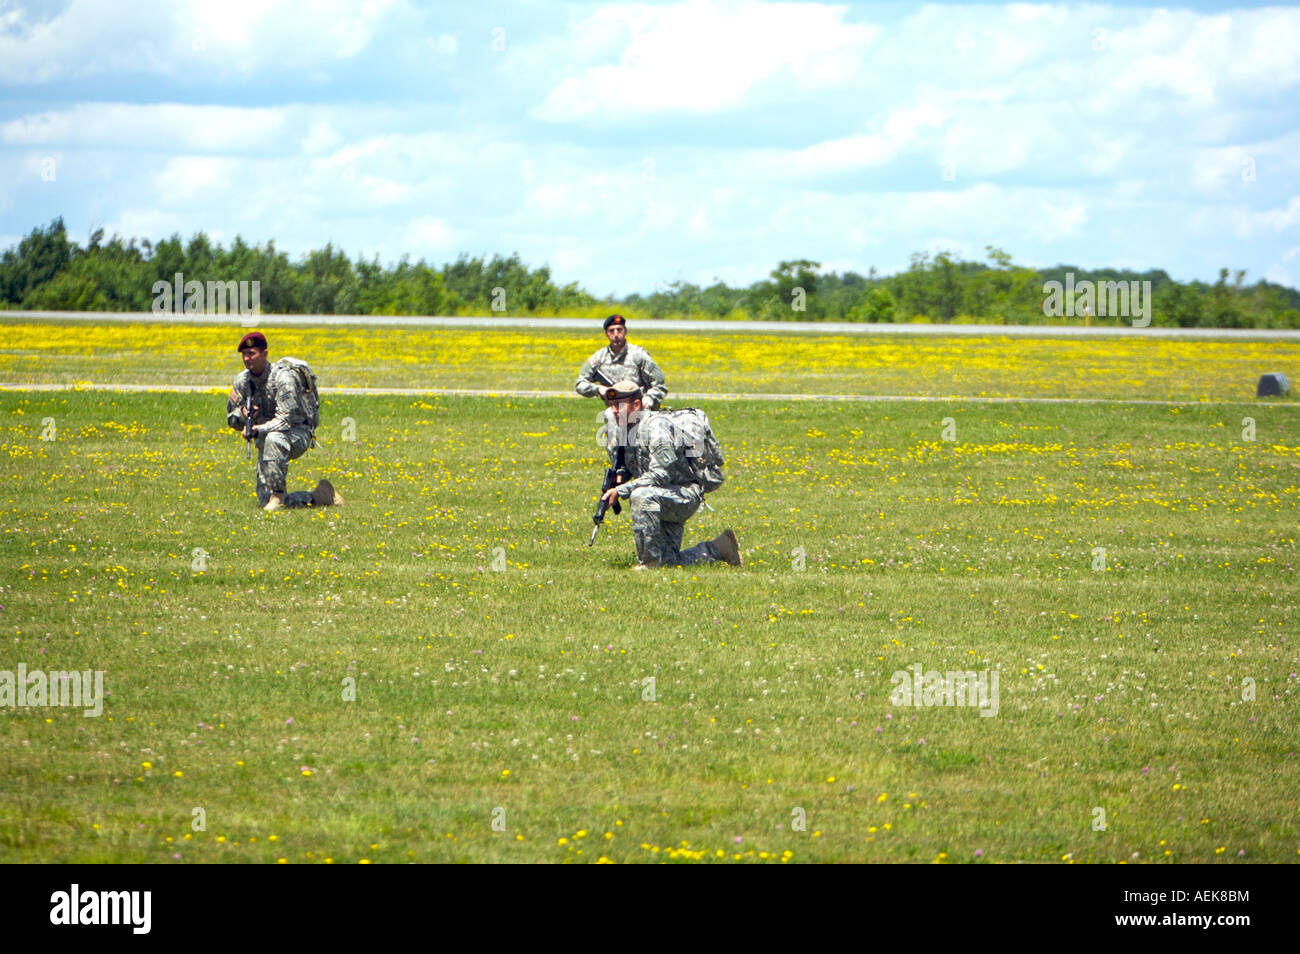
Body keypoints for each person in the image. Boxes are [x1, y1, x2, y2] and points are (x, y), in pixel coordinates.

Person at [599, 380, 740, 569]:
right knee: (669, 562)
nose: (614, 410)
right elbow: (633, 465)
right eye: (612, 406)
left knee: (641, 496)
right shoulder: (625, 429)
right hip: (663, 495)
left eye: (619, 405)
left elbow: (660, 475)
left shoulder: (656, 427)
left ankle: (648, 565)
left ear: (637, 405)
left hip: (682, 495)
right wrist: (620, 477)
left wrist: (622, 491)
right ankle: (718, 547)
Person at [226, 331, 342, 512]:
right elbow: (230, 418)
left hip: (297, 433)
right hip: (266, 437)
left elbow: (284, 420)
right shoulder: (243, 381)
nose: (248, 359)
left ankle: (278, 496)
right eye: (244, 355)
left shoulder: (283, 379)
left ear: (265, 353)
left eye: (252, 354)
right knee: (265, 501)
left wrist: (257, 430)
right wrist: (243, 415)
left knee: (274, 438)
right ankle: (322, 496)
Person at [575, 314, 668, 408]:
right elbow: (580, 384)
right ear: (606, 333)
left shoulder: (639, 356)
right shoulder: (599, 358)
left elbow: (660, 386)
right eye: (611, 331)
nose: (616, 334)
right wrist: (598, 389)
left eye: (619, 330)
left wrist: (649, 399)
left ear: (625, 331)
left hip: (640, 410)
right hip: (614, 412)